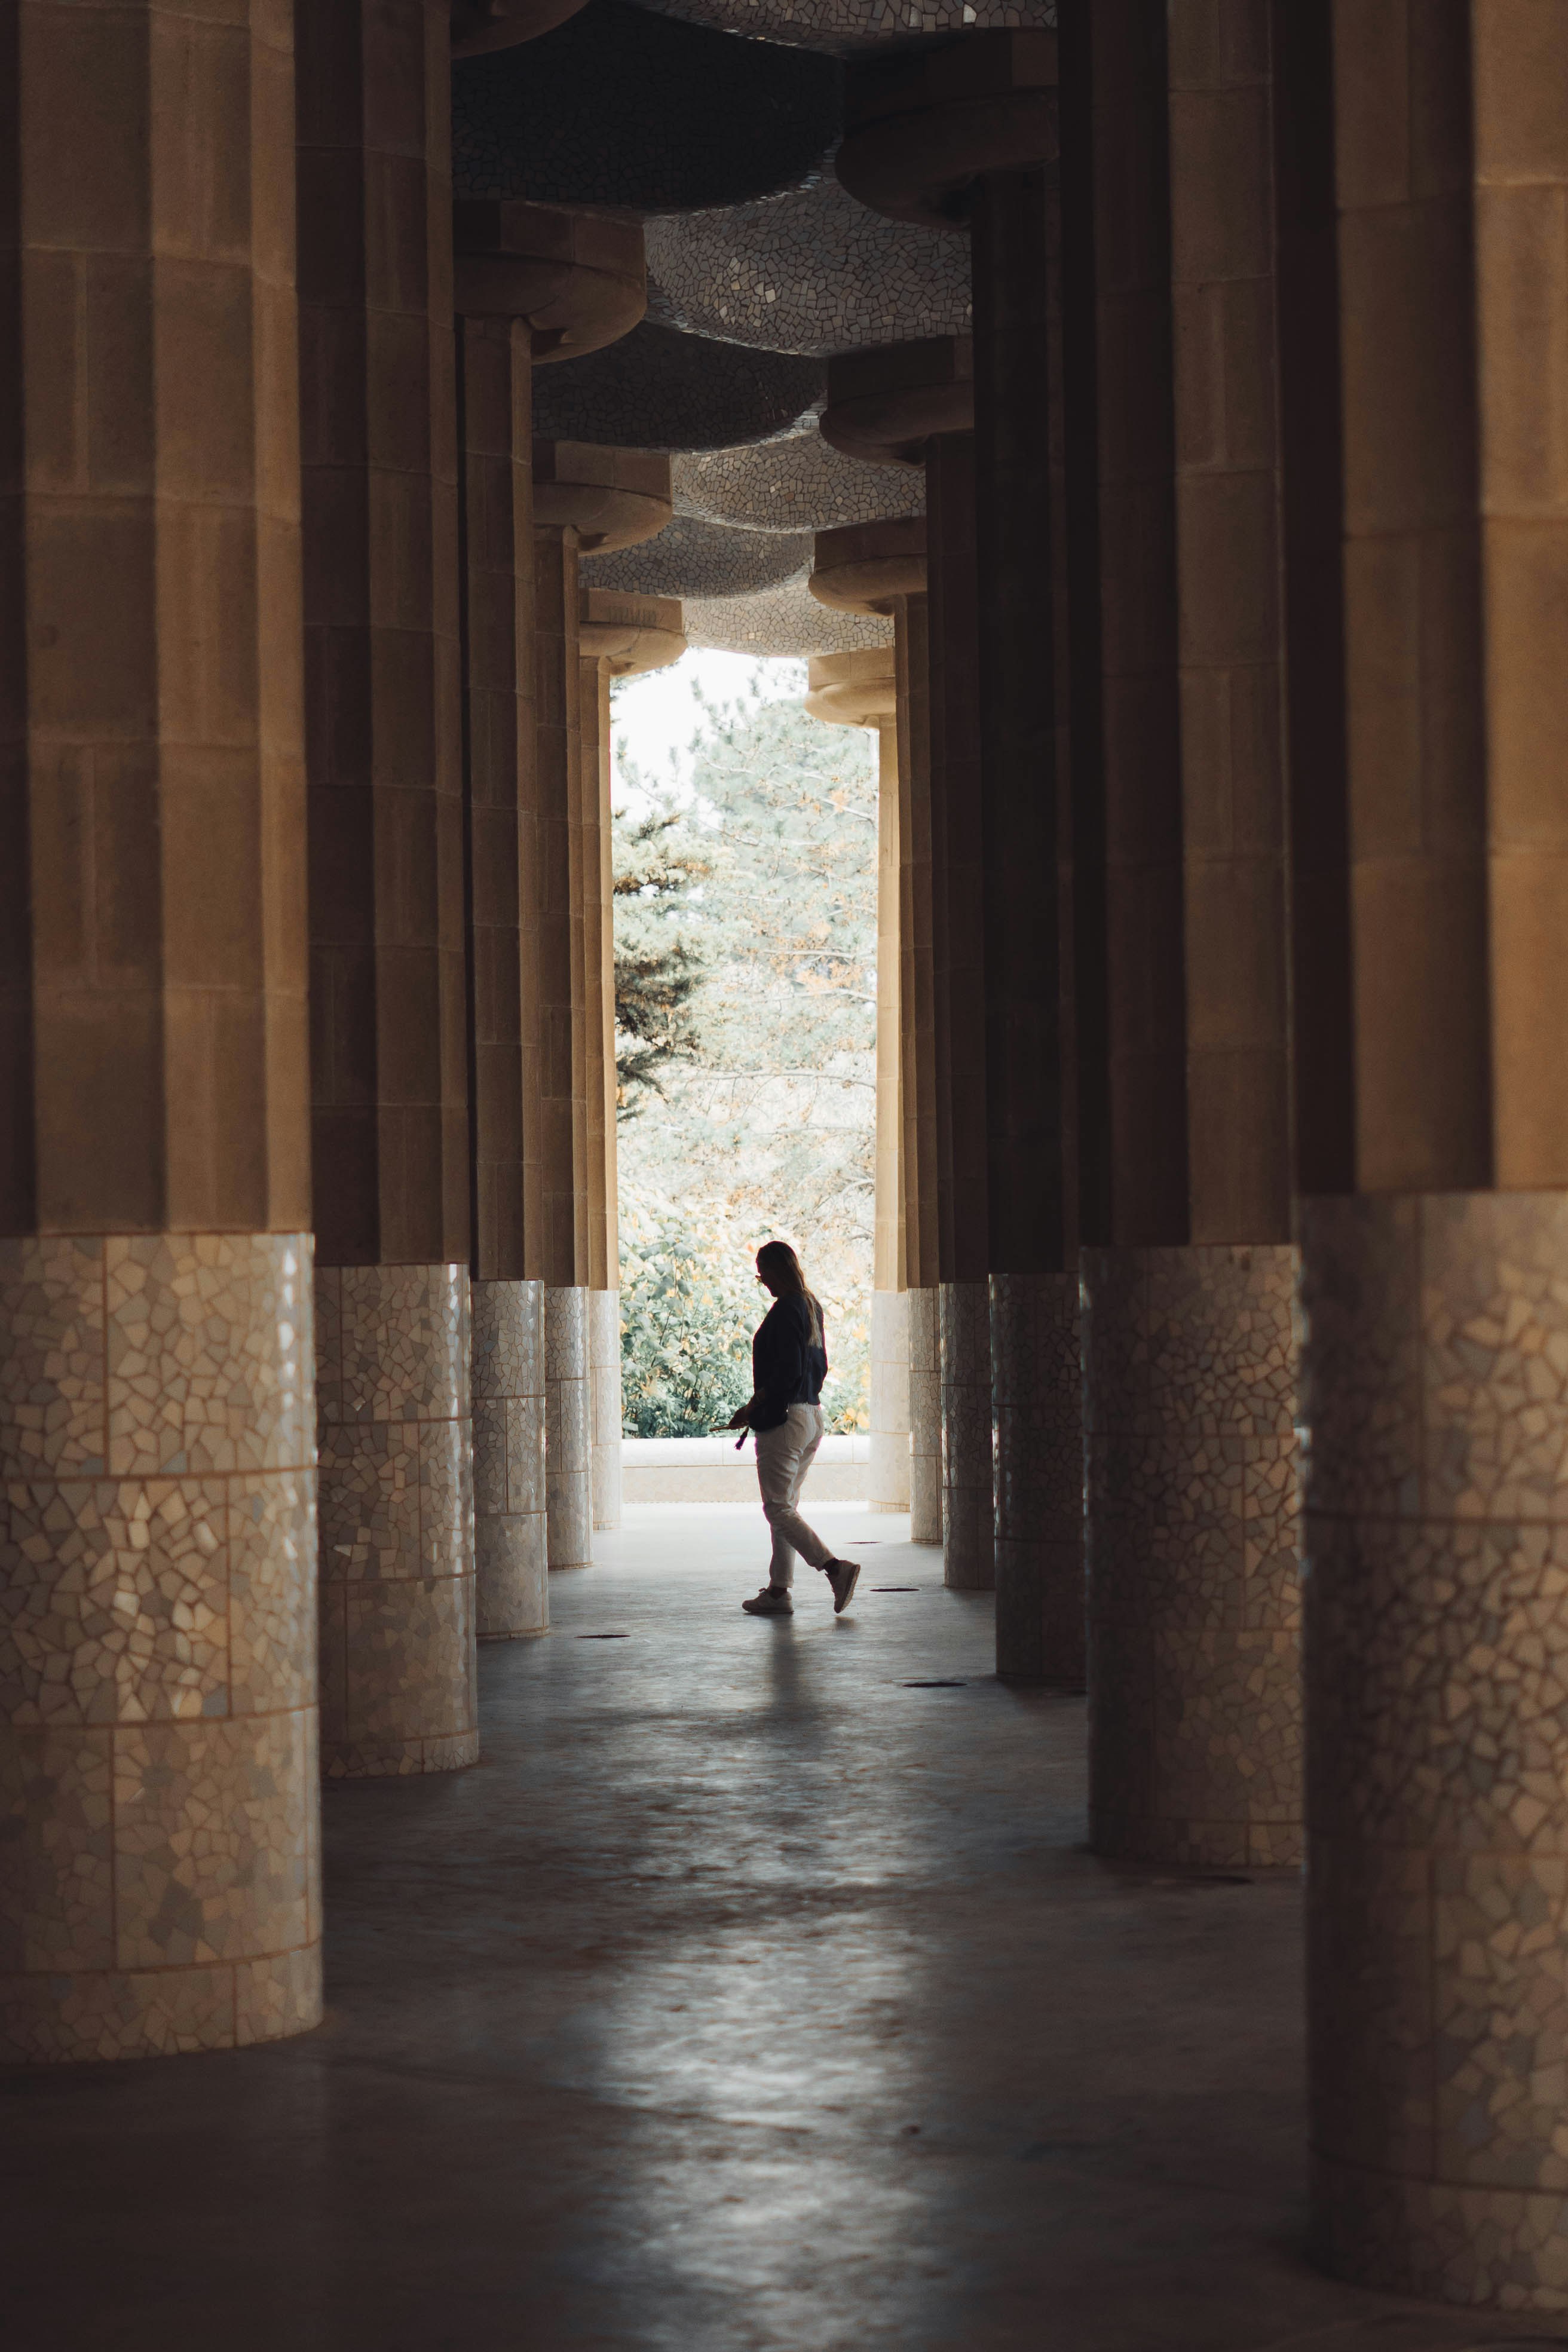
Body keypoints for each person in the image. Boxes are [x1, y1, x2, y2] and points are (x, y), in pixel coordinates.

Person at [724, 1240, 860, 1617]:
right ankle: (779, 1591)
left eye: (762, 1273)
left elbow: (787, 1372)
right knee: (786, 1507)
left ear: (775, 1269)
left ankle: (835, 1568)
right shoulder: (811, 1305)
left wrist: (751, 1407)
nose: (761, 1281)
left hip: (786, 1420)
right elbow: (817, 1367)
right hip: (811, 1415)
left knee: (779, 1507)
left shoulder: (787, 1308)